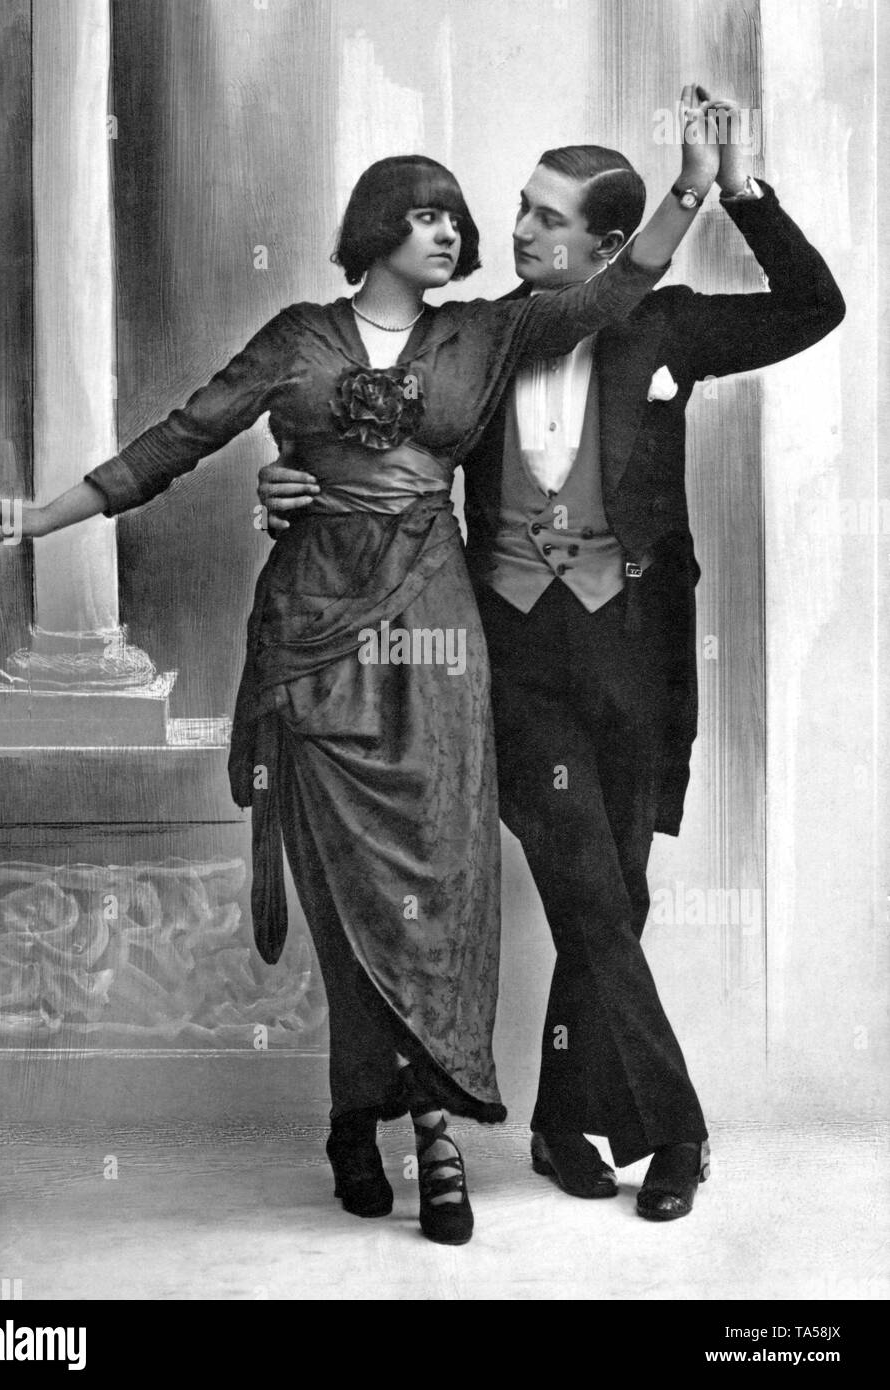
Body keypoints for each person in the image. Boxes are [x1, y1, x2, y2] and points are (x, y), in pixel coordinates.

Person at [0, 99, 717, 1244]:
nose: (455, 237)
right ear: (375, 230)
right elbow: (175, 441)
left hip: (444, 645)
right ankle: (351, 1118)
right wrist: (38, 518)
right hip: (314, 640)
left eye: (459, 222)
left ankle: (434, 1136)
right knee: (347, 895)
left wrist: (688, 189)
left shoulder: (487, 334)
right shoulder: (295, 338)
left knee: (445, 887)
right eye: (429, 218)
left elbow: (609, 294)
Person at [258, 88, 846, 1224]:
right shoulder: (470, 338)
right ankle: (677, 1131)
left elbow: (813, 306)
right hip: (511, 659)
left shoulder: (665, 327)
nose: (517, 230)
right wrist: (280, 485)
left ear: (609, 245)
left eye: (544, 217)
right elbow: (349, 418)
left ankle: (561, 1123)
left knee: (611, 898)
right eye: (519, 210)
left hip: (637, 658)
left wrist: (738, 192)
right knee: (584, 886)